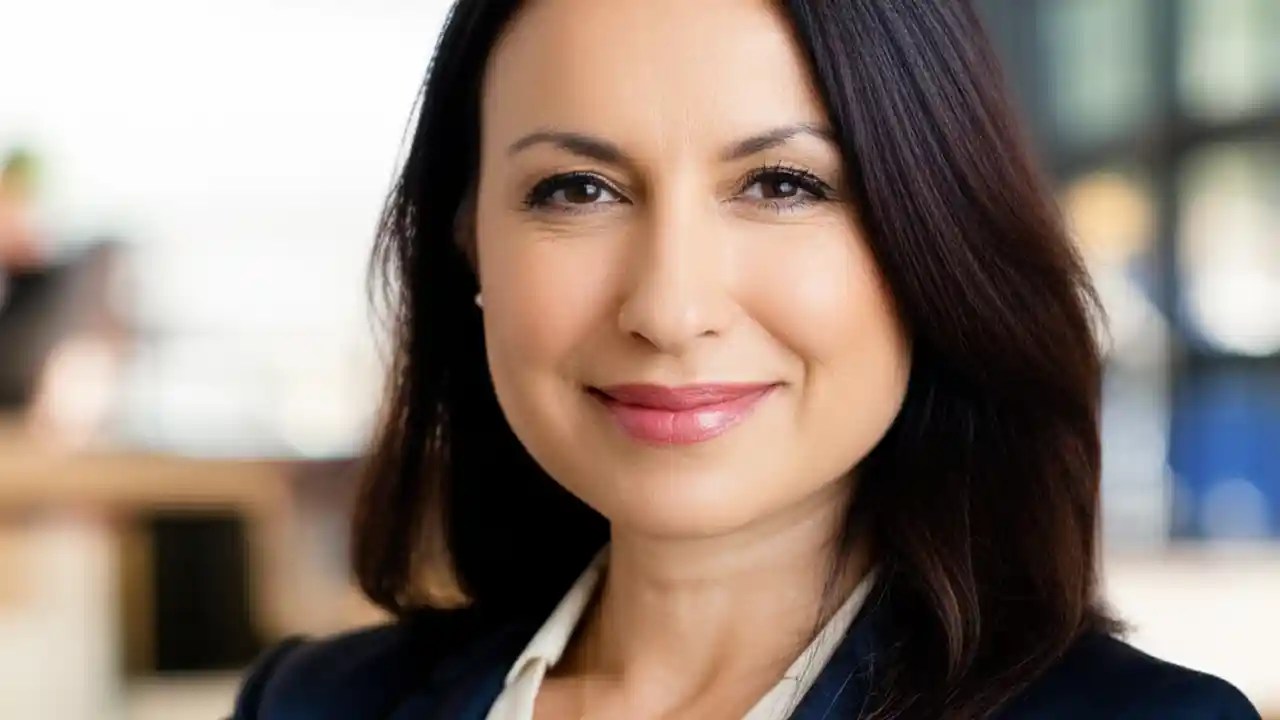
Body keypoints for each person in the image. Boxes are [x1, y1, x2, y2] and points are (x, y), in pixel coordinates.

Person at [231, 1, 1262, 718]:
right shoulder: (310, 703)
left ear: (930, 241)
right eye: (577, 189)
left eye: (781, 184)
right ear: (468, 246)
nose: (670, 309)